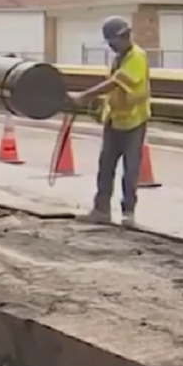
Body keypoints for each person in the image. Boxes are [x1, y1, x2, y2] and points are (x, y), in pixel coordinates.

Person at [74, 16, 151, 227]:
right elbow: (114, 91)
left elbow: (116, 83)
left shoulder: (137, 57)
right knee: (105, 166)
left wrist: (84, 96)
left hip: (134, 121)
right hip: (115, 120)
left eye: (111, 41)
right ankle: (101, 211)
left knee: (130, 170)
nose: (110, 46)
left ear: (123, 37)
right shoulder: (119, 58)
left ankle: (128, 213)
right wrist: (100, 109)